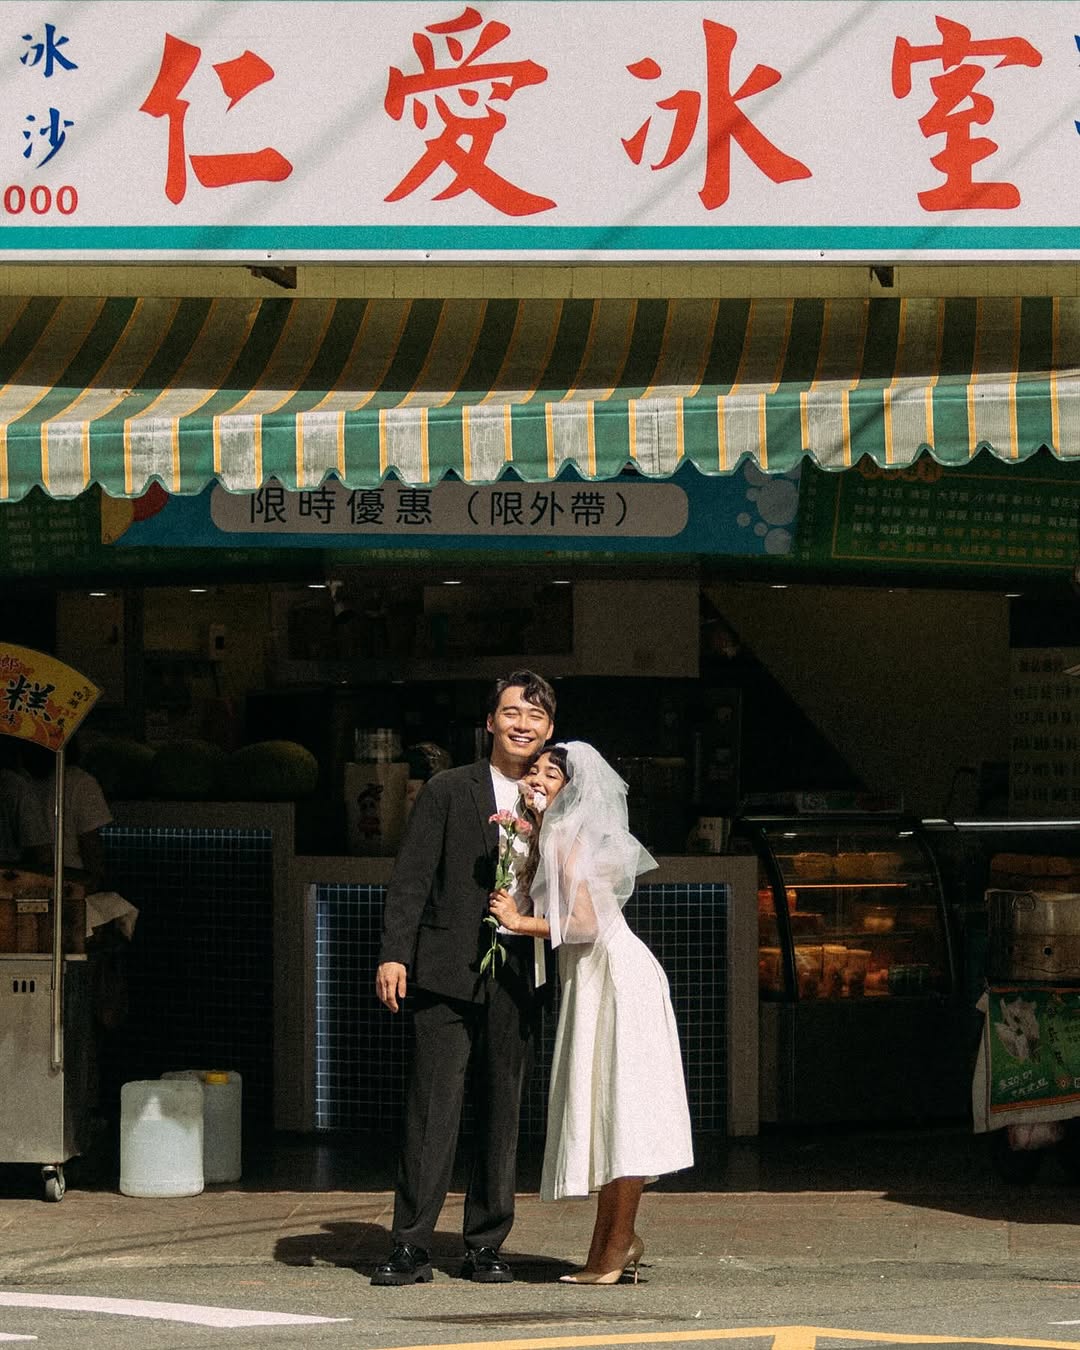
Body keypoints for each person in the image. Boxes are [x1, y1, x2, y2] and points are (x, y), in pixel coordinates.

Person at [372, 670, 556, 1286]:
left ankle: (485, 1244)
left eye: (534, 716)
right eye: (511, 713)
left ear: (549, 730)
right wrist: (394, 953)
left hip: (518, 975)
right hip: (446, 971)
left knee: (502, 1116)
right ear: (490, 723)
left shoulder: (558, 801)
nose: (521, 724)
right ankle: (410, 1245)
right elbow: (412, 877)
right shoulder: (450, 790)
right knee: (432, 1111)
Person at [489, 741, 693, 1284]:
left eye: (550, 775)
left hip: (613, 975)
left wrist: (515, 919)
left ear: (571, 788)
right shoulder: (554, 833)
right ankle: (612, 1246)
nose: (537, 780)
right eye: (534, 771)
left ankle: (612, 1250)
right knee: (612, 1113)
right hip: (601, 977)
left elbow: (583, 925)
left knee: (621, 1114)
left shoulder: (565, 836)